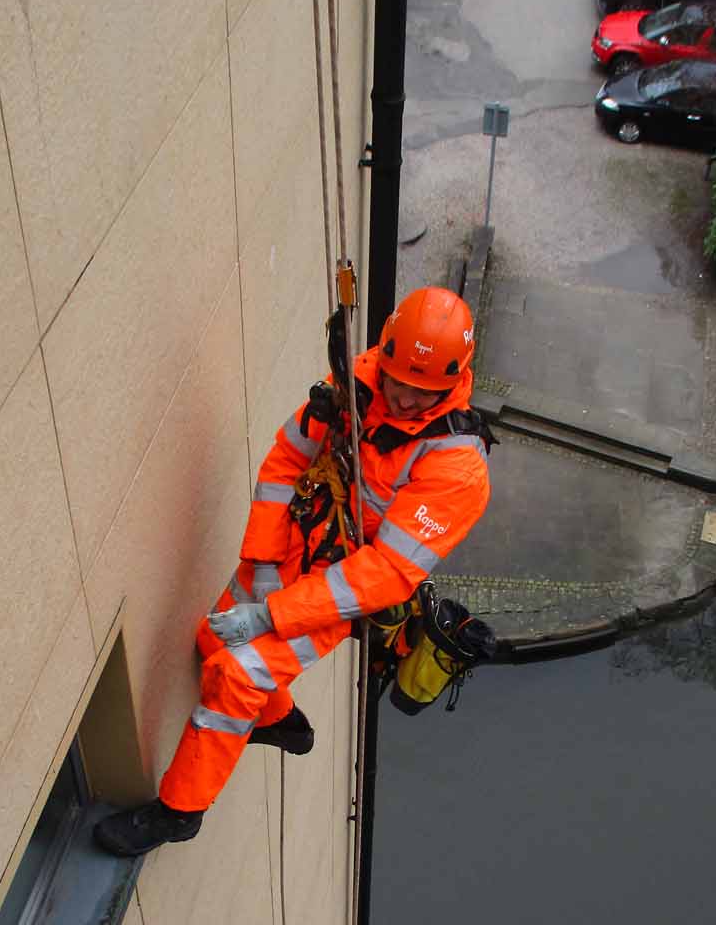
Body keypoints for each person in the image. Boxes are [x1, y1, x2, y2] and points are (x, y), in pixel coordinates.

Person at [94, 286, 493, 857]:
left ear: (451, 384)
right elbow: (287, 460)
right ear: (384, 357)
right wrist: (262, 563)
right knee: (212, 640)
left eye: (421, 392)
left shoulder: (455, 469)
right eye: (398, 381)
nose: (403, 399)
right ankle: (280, 722)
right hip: (291, 547)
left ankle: (178, 811)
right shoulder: (358, 383)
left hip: (341, 591)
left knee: (236, 674)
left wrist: (273, 613)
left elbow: (384, 572)